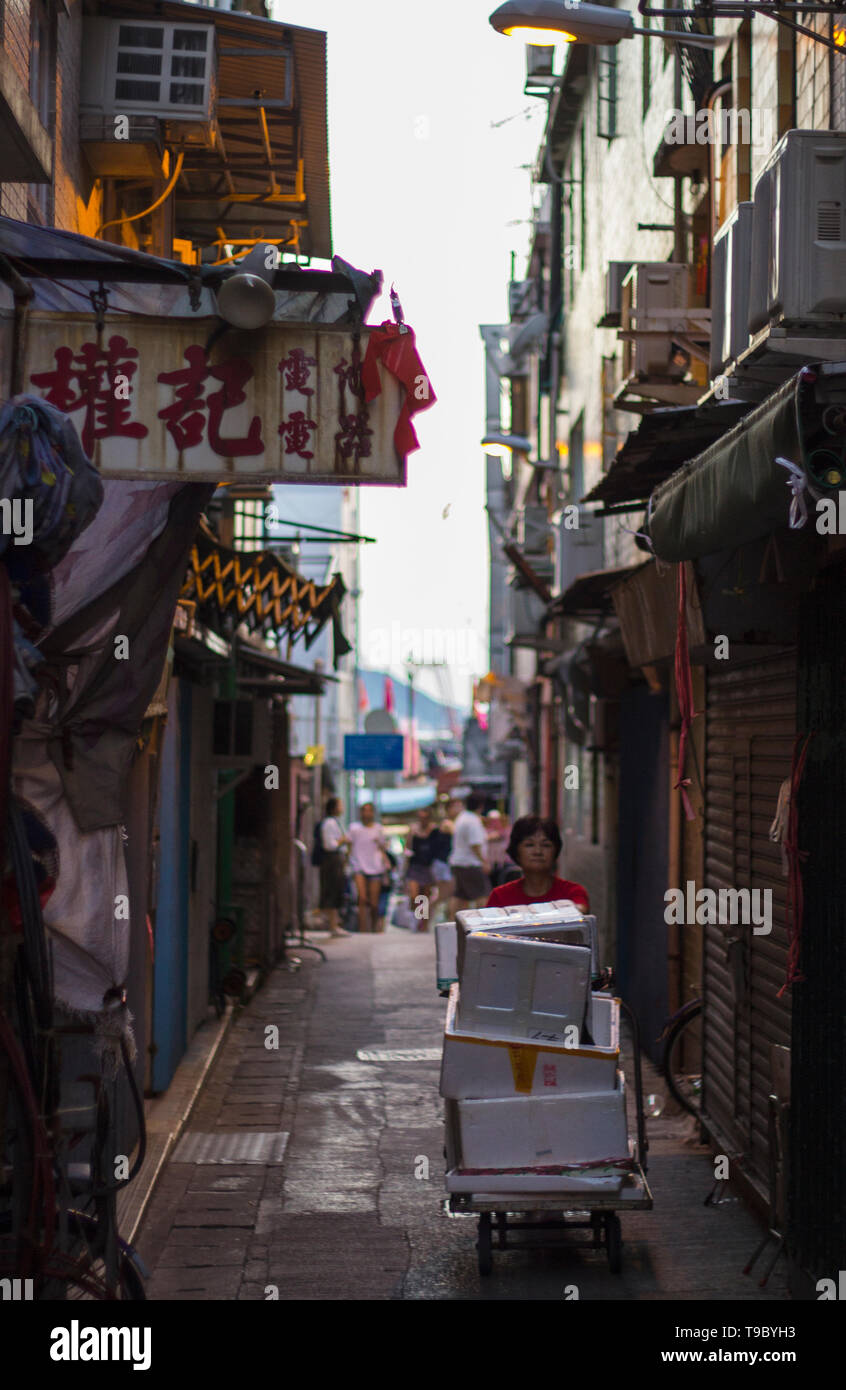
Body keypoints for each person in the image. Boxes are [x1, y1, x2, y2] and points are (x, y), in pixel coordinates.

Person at [485, 815, 590, 911]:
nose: (538, 851)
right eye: (529, 845)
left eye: (546, 845)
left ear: (556, 851)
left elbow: (580, 912)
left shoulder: (573, 892)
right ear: (516, 852)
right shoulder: (500, 896)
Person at [348, 802, 390, 934]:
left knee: (374, 903)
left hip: (375, 867)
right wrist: (348, 861)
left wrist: (386, 863)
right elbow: (349, 845)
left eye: (369, 811)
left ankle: (373, 928)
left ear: (373, 813)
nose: (366, 814)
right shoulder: (354, 828)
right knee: (362, 898)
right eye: (364, 811)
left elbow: (382, 847)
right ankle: (362, 930)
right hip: (359, 866)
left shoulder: (378, 828)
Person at [449, 793, 490, 914]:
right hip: (471, 864)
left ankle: (454, 922)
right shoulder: (473, 821)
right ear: (481, 806)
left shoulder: (462, 818)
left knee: (460, 896)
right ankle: (484, 922)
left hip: (459, 862)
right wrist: (484, 862)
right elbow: (475, 844)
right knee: (482, 895)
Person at [318, 796, 351, 937]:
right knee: (332, 890)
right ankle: (332, 924)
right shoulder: (329, 823)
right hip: (332, 860)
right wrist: (342, 840)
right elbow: (329, 845)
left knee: (337, 891)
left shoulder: (335, 822)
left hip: (337, 859)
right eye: (340, 804)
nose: (342, 807)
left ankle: (335, 923)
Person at [405, 805, 440, 932]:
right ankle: (416, 918)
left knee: (425, 898)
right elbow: (407, 849)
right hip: (415, 866)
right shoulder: (413, 830)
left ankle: (423, 925)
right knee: (415, 896)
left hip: (428, 867)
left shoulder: (435, 830)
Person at [485, 809, 515, 888]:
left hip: (505, 862)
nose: (495, 822)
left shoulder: (507, 830)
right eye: (492, 820)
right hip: (491, 863)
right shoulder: (487, 830)